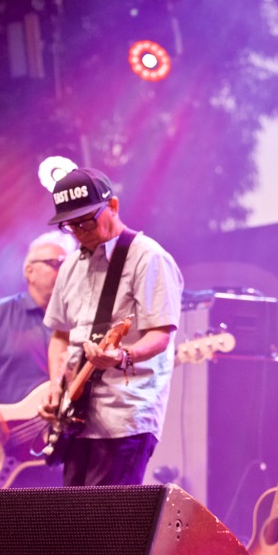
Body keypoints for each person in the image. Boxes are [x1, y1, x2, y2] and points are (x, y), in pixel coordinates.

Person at [38, 167, 183, 487]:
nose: (78, 230)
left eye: (86, 220)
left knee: (106, 526)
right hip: (75, 415)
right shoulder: (70, 268)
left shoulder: (148, 258)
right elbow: (60, 335)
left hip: (124, 416)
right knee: (72, 526)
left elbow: (161, 334)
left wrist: (122, 356)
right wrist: (54, 385)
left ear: (113, 206)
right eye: (70, 224)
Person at [0, 231, 74, 488]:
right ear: (29, 271)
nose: (63, 270)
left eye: (68, 264)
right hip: (3, 448)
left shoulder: (78, 320)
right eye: (55, 263)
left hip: (57, 455)